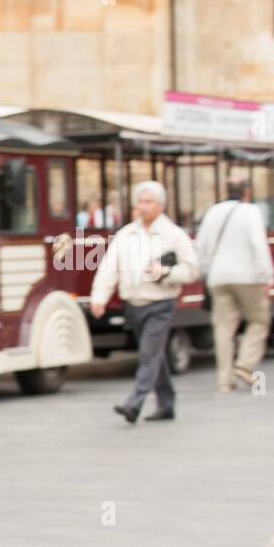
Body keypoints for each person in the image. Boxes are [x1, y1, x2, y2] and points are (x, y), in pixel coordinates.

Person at [90, 180, 199, 423]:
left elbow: (192, 270)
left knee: (149, 353)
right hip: (133, 304)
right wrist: (99, 297)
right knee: (154, 354)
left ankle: (135, 403)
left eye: (148, 202)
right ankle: (167, 403)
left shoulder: (174, 235)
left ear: (160, 206)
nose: (143, 206)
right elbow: (110, 268)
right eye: (140, 201)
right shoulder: (126, 234)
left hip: (160, 302)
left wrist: (167, 273)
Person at [195, 179, 274, 391]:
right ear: (247, 193)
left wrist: (203, 273)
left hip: (218, 277)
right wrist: (267, 275)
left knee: (223, 328)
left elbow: (201, 247)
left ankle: (224, 379)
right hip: (246, 275)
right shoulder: (251, 212)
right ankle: (245, 365)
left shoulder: (212, 212)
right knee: (259, 320)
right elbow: (258, 244)